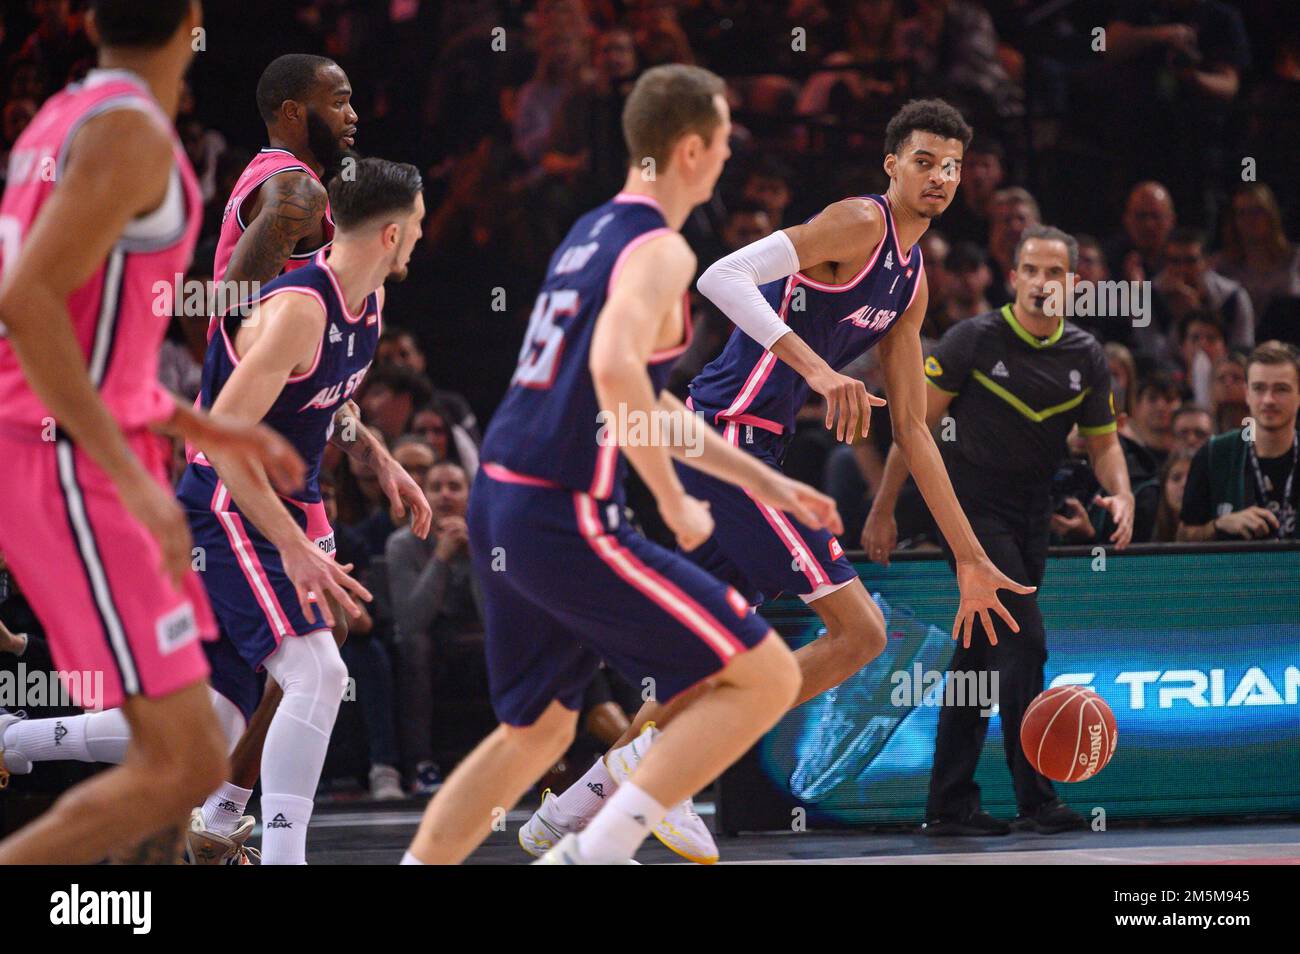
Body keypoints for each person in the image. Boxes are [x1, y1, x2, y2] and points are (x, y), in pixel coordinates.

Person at [524, 97, 1032, 863]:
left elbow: (916, 429)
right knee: (860, 632)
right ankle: (668, 770)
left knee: (703, 658)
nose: (939, 176)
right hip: (726, 438)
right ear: (891, 165)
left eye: (952, 165)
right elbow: (722, 278)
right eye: (923, 160)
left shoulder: (912, 278)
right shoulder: (859, 224)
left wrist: (967, 554)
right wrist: (823, 372)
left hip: (746, 446)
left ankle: (566, 816)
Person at [403, 64, 836, 867]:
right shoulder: (662, 250)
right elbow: (613, 371)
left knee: (535, 733)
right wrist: (674, 501)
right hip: (563, 508)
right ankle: (592, 854)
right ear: (693, 150)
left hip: (505, 493)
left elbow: (642, 395)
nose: (731, 155)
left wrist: (764, 481)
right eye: (725, 138)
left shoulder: (593, 228)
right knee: (765, 676)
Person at [0, 0, 302, 865]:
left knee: (187, 754)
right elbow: (26, 306)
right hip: (62, 463)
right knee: (184, 758)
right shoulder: (128, 132)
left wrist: (200, 420)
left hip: (57, 445)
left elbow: (95, 340)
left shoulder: (60, 118)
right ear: (193, 20)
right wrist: (132, 478)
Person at [175, 158, 432, 864]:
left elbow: (325, 392)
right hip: (227, 501)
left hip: (281, 498)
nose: (420, 236)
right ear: (388, 233)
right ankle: (280, 853)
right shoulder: (298, 309)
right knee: (319, 673)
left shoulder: (370, 298)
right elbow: (220, 440)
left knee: (220, 711)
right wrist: (292, 544)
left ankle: (15, 738)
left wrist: (375, 454)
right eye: (415, 224)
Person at [864, 225, 1134, 836]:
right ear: (1013, 278)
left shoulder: (1086, 355)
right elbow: (913, 428)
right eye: (1032, 271)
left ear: (1074, 283)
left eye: (1055, 273)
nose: (1043, 283)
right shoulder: (973, 341)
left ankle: (948, 804)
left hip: (1031, 512)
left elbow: (1104, 444)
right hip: (970, 510)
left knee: (977, 659)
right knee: (1025, 642)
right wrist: (883, 507)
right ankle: (1037, 799)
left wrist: (1120, 492)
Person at [212, 53, 357, 304]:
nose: (352, 115)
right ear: (292, 111)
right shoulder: (298, 190)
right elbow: (234, 310)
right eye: (339, 103)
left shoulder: (266, 171)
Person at [1178, 341, 1299, 541]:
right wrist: (1219, 525)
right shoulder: (1214, 454)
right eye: (1259, 388)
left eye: (1281, 389)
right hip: (1234, 572)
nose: (1269, 399)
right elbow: (1182, 537)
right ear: (1247, 394)